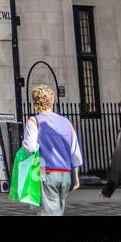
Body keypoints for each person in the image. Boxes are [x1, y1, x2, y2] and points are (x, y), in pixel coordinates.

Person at [21, 84, 83, 216]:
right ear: (52, 100)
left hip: (46, 172)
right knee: (58, 211)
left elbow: (30, 147)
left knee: (48, 212)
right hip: (65, 173)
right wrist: (76, 175)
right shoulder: (66, 122)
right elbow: (75, 151)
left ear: (35, 102)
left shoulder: (34, 121)